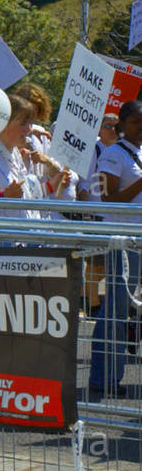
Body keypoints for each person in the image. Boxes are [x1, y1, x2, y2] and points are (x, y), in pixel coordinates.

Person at [89, 98, 142, 398]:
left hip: (138, 237)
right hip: (121, 240)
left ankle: (109, 376)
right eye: (135, 122)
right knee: (116, 309)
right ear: (121, 124)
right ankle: (104, 377)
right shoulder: (112, 154)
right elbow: (108, 198)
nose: (140, 128)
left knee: (124, 310)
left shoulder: (138, 151)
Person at [0, 94, 66, 224]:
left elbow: (25, 195)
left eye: (30, 123)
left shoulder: (15, 154)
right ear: (3, 125)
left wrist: (53, 184)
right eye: (23, 123)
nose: (29, 129)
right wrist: (3, 196)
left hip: (19, 240)